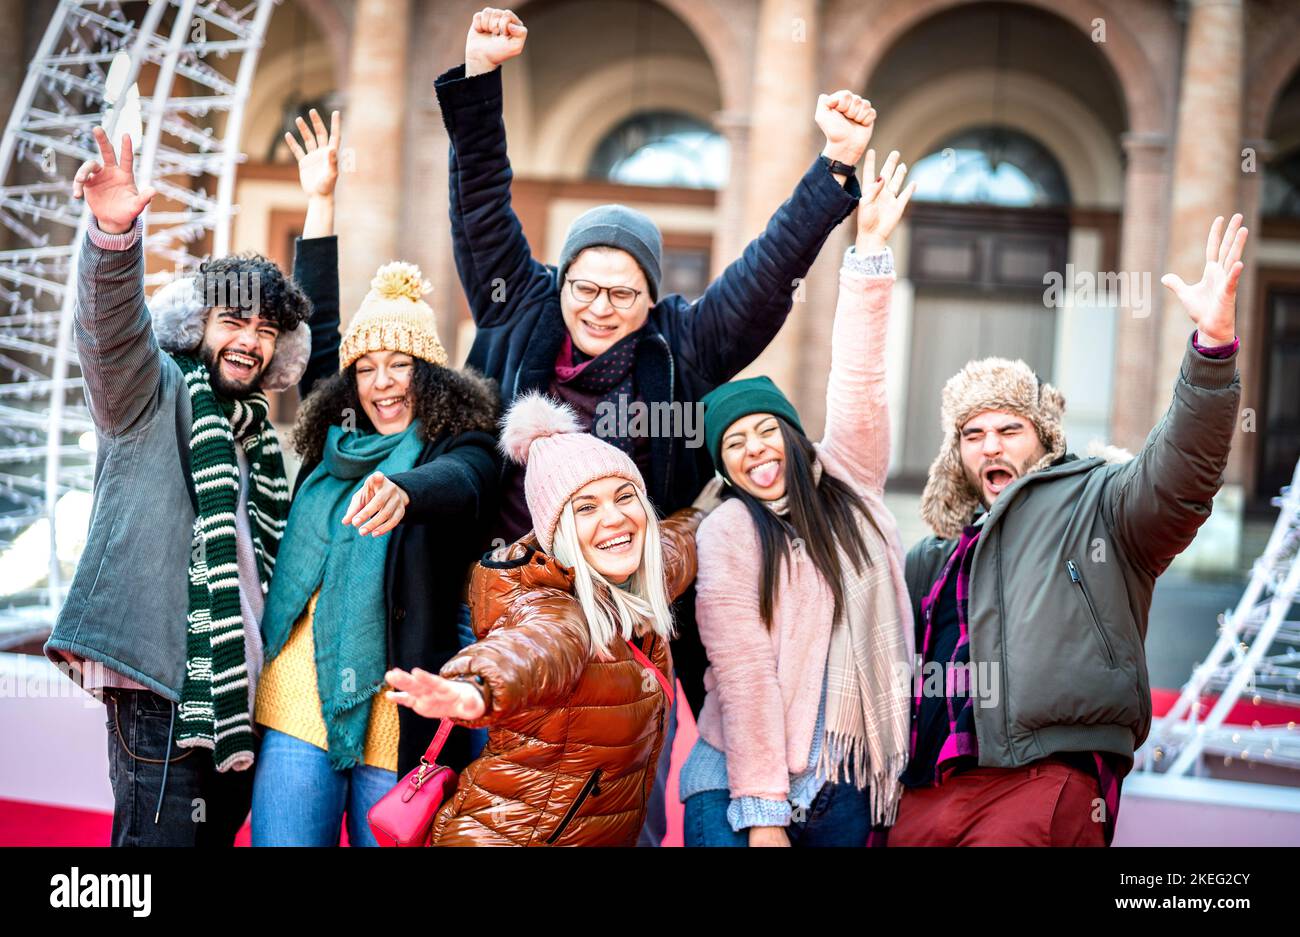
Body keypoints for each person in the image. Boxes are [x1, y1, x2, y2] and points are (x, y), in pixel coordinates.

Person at [437, 5, 875, 843]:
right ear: (560, 281)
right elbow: (484, 202)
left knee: (617, 799)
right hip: (503, 602)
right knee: (496, 794)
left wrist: (835, 167)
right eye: (585, 287)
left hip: (627, 615)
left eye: (623, 293)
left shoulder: (684, 341)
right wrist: (482, 74)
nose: (600, 308)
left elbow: (767, 269)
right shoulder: (520, 305)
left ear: (651, 297)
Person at [889, 214, 1249, 846]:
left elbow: (1180, 475)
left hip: (1041, 779)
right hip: (924, 790)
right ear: (958, 454)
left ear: (1043, 438)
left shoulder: (1098, 500)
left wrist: (1212, 350)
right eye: (973, 435)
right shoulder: (934, 554)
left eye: (1009, 429)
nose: (990, 445)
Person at [43, 126, 322, 846]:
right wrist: (113, 231)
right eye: (234, 319)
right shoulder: (151, 392)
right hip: (160, 687)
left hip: (236, 703)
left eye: (267, 329)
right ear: (199, 323)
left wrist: (321, 209)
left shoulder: (254, 432)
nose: (250, 340)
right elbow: (107, 332)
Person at [248, 111, 502, 847]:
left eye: (401, 365)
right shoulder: (337, 437)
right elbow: (318, 324)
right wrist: (320, 203)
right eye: (366, 367)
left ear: (429, 374)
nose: (382, 382)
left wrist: (407, 491)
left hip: (403, 708)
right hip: (298, 692)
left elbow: (467, 478)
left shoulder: (463, 443)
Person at [681, 152, 916, 847]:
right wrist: (762, 815)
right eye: (734, 445)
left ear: (792, 435)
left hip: (841, 775)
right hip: (734, 780)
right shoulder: (729, 529)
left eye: (764, 432)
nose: (753, 450)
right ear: (723, 466)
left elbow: (860, 377)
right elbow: (745, 671)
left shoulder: (851, 483)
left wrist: (868, 253)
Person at [385, 393, 708, 846]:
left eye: (624, 497)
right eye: (587, 508)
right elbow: (535, 647)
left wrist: (704, 510)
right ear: (557, 535)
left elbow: (676, 545)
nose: (615, 519)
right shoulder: (559, 608)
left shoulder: (639, 572)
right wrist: (477, 689)